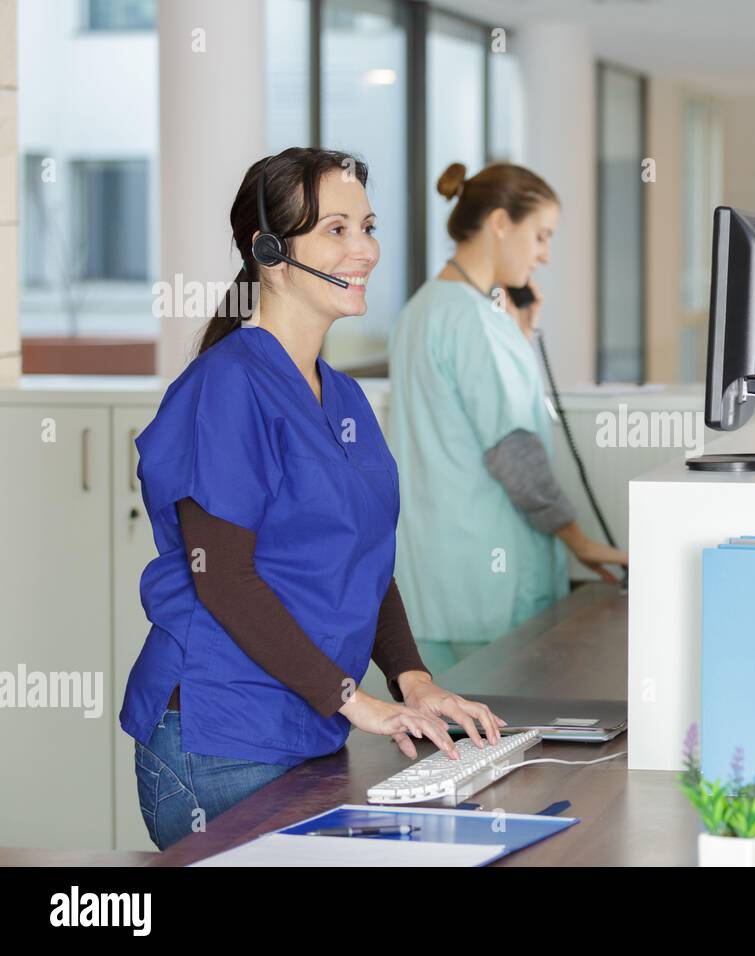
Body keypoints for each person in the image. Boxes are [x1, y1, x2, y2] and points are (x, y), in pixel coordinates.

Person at [120, 147, 504, 852]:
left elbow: (364, 559)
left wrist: (413, 680)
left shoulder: (344, 393)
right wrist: (356, 703)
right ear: (269, 251)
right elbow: (224, 578)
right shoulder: (228, 386)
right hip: (221, 733)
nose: (365, 250)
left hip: (305, 724)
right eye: (336, 229)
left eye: (368, 226)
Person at [388, 162, 628, 672]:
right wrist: (579, 542)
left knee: (449, 748)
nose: (544, 254)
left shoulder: (422, 310)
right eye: (540, 236)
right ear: (500, 223)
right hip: (488, 590)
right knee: (504, 741)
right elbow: (513, 453)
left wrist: (519, 334)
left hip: (436, 586)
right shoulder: (474, 321)